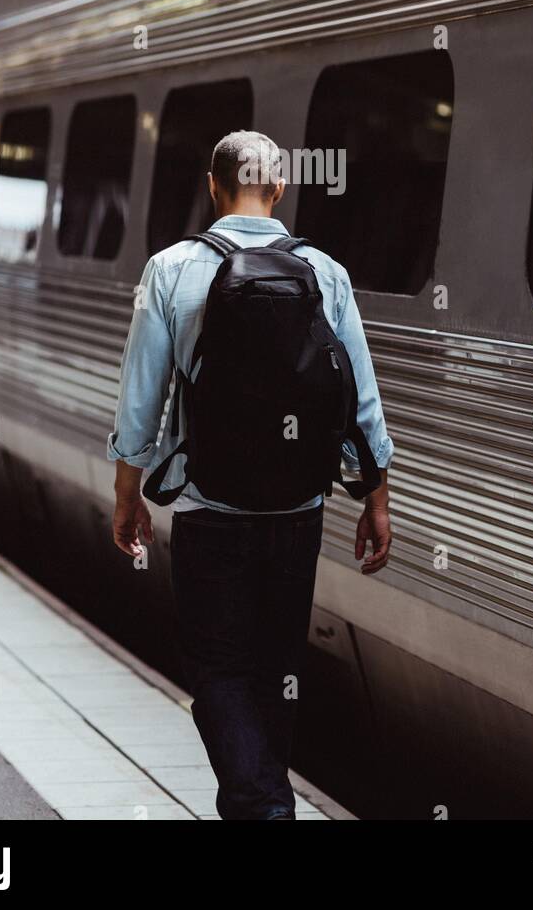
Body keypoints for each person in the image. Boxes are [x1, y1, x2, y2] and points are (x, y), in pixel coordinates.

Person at [108, 130, 393, 820]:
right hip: (299, 511)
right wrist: (375, 496)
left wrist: (128, 494)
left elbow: (141, 399)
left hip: (210, 510)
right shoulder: (324, 273)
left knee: (218, 669)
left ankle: (264, 806)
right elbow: (359, 399)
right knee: (277, 670)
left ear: (215, 185)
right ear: (281, 186)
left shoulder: (172, 269)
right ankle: (262, 801)